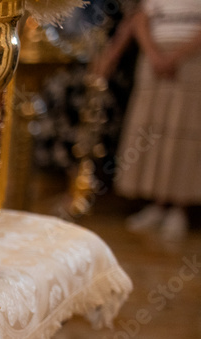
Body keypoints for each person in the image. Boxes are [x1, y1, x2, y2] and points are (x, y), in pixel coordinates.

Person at [94, 0, 201, 241]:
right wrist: (154, 54)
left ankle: (179, 208)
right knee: (153, 129)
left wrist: (175, 57)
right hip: (153, 56)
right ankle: (157, 203)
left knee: (182, 132)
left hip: (192, 60)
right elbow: (140, 18)